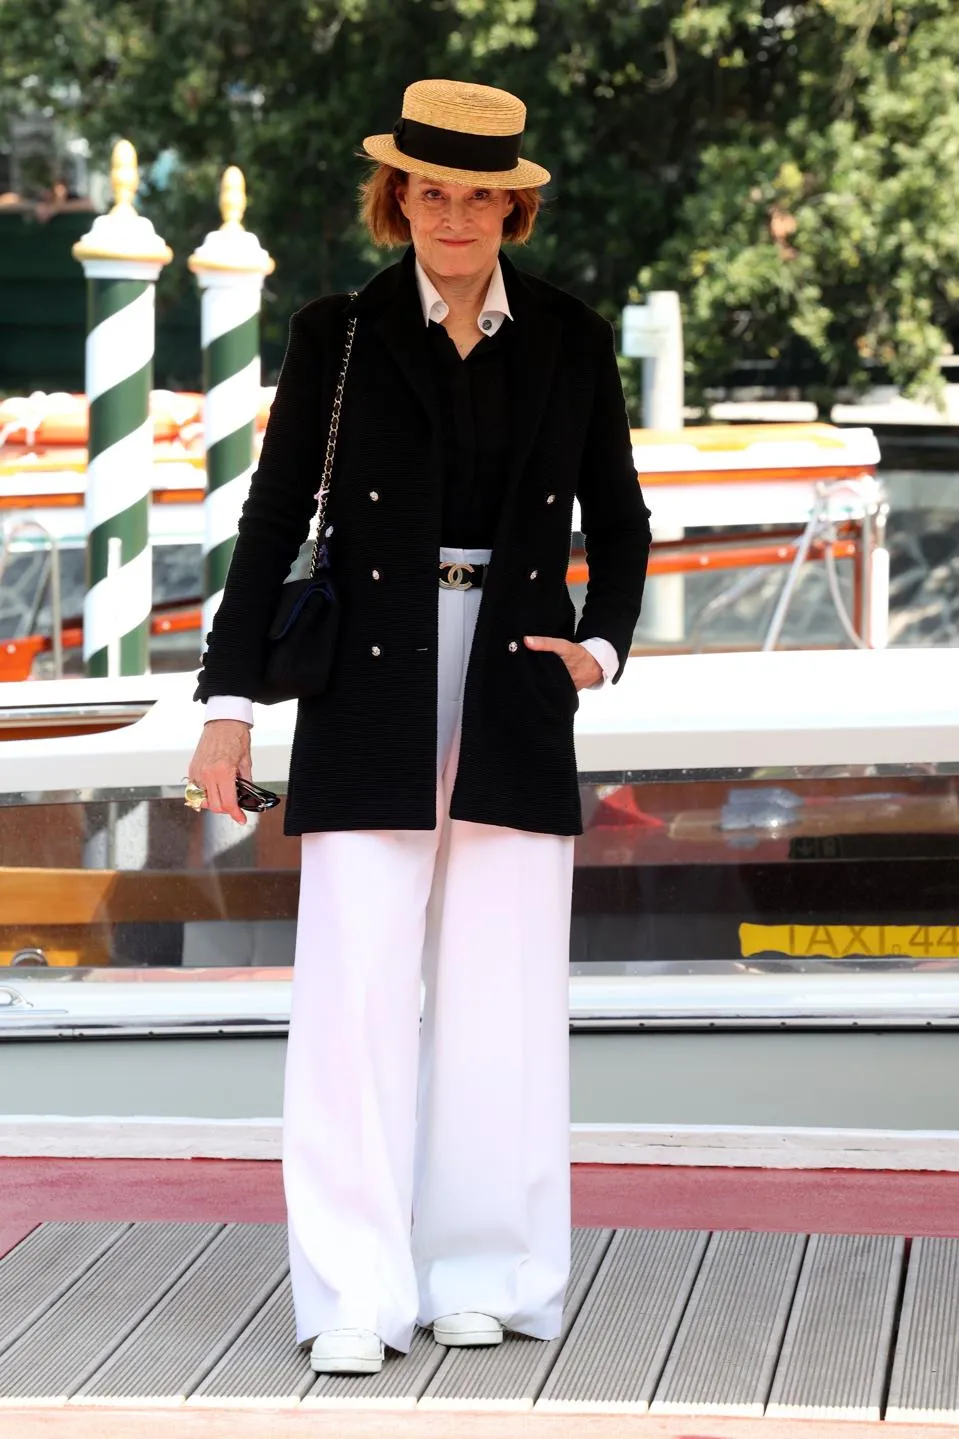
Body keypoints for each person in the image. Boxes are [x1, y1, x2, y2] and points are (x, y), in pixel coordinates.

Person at [188, 78, 651, 1375]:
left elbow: (618, 521)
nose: (453, 216)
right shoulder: (335, 333)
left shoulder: (567, 332)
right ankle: (351, 1290)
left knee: (501, 999)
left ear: (514, 203)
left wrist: (597, 649)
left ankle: (482, 1271)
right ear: (399, 200)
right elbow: (272, 521)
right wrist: (226, 709)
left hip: (513, 683)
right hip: (366, 685)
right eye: (429, 191)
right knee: (353, 996)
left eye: (478, 194)